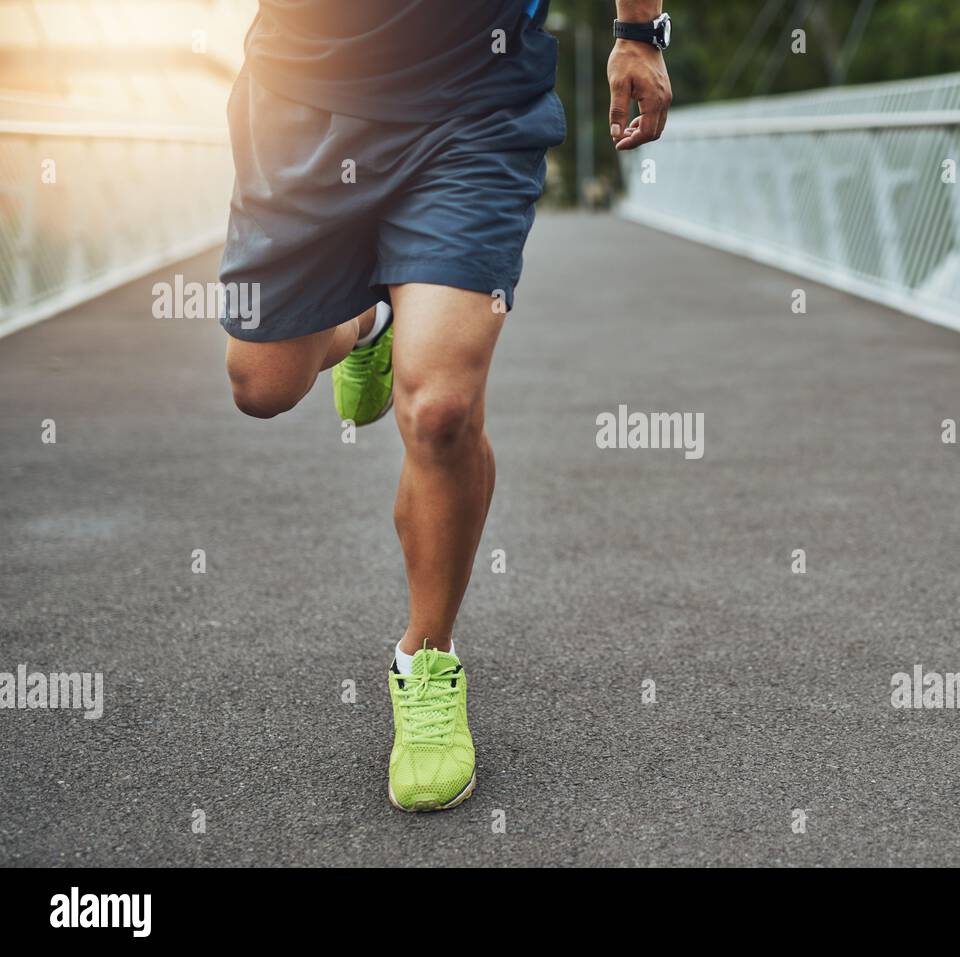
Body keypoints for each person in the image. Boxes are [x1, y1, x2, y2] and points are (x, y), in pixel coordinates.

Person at [218, 1, 671, 811]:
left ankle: (425, 658)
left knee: (440, 408)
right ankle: (370, 320)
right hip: (301, 95)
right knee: (262, 384)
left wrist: (639, 31)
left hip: (475, 98)